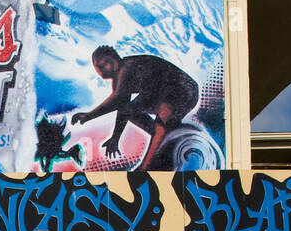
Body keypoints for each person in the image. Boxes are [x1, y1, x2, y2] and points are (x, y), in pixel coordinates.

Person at [71, 45, 199, 166]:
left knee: (161, 122)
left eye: (98, 66)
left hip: (182, 90)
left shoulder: (127, 67)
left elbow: (117, 98)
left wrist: (88, 116)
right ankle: (167, 138)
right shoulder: (119, 78)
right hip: (158, 93)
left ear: (108, 62)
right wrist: (116, 137)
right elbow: (122, 107)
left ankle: (148, 164)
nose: (98, 71)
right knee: (130, 111)